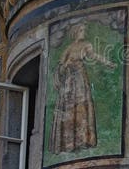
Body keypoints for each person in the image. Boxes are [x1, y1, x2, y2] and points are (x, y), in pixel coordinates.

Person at [49, 23, 115, 153]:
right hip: (69, 81)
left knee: (81, 107)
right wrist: (66, 65)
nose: (84, 32)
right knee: (68, 109)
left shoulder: (86, 45)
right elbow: (60, 68)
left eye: (84, 30)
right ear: (75, 32)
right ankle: (68, 144)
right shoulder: (68, 48)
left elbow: (94, 56)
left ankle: (83, 141)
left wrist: (107, 62)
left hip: (80, 78)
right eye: (81, 30)